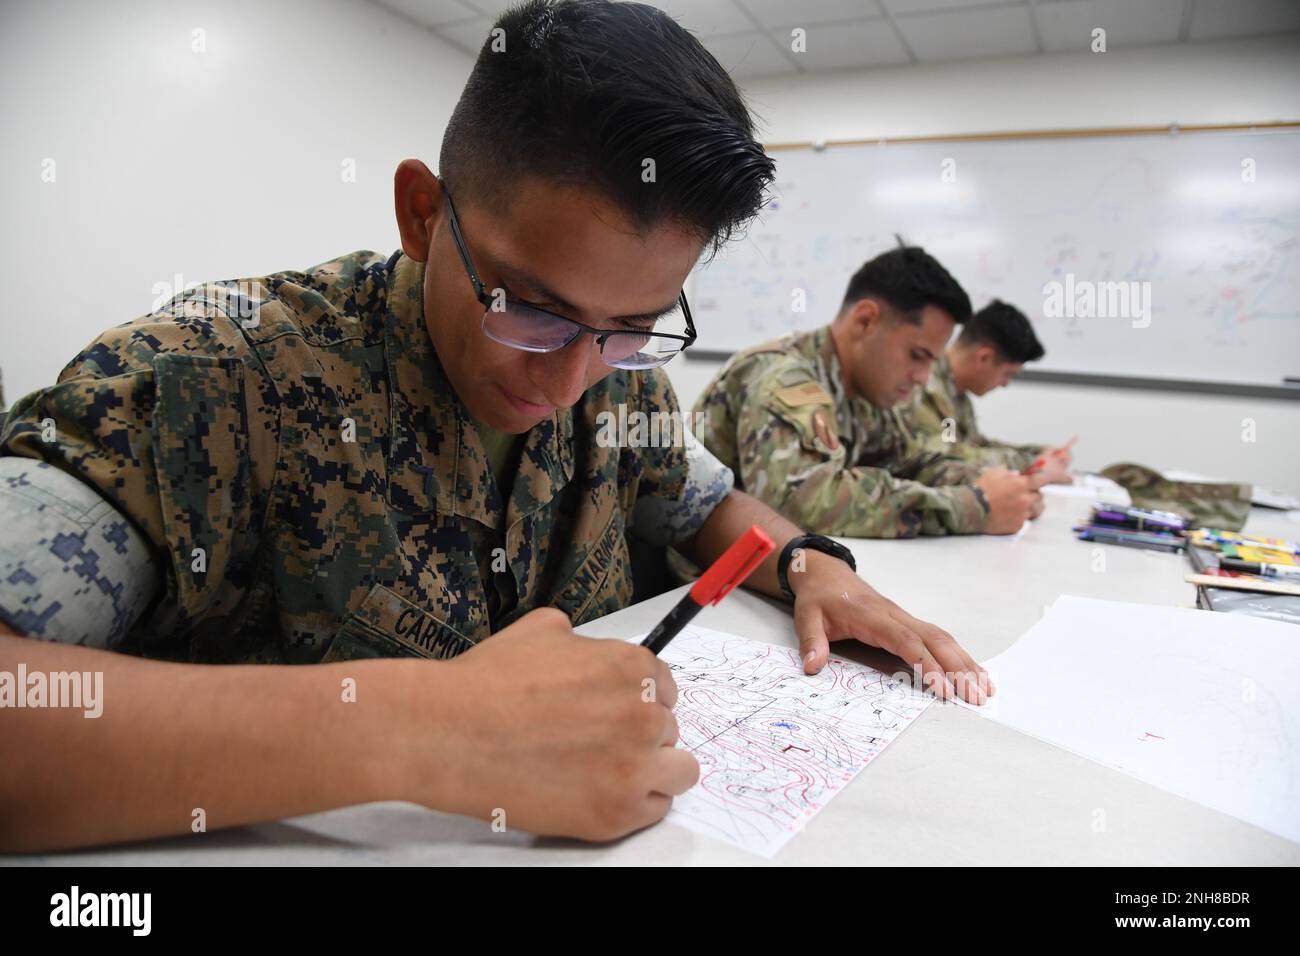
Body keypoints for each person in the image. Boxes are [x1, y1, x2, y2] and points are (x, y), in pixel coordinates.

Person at [0, 0, 992, 853]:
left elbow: (709, 503)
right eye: (529, 306)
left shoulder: (616, 381)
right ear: (425, 215)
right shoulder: (213, 374)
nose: (568, 378)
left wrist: (814, 566)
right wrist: (415, 730)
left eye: (632, 327)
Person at [693, 244, 1044, 538]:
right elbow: (803, 504)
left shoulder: (869, 390)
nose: (923, 377)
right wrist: (972, 507)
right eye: (917, 356)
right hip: (698, 588)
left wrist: (1004, 489)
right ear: (865, 321)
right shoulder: (784, 375)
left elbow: (913, 461)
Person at [896, 298, 1071, 482]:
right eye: (1007, 374)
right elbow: (949, 454)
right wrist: (1033, 463)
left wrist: (1036, 452)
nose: (1005, 384)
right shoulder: (926, 388)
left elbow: (974, 445)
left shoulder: (957, 395)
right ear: (984, 357)